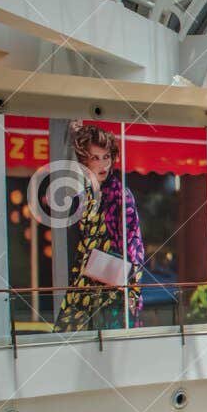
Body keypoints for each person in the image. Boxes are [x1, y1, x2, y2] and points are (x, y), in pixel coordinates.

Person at [52, 122, 145, 332]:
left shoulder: (122, 196)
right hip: (83, 289)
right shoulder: (80, 200)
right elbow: (76, 251)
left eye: (106, 157)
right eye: (95, 158)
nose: (103, 164)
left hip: (114, 292)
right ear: (84, 162)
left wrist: (133, 291)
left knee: (111, 346)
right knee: (68, 344)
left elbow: (135, 244)